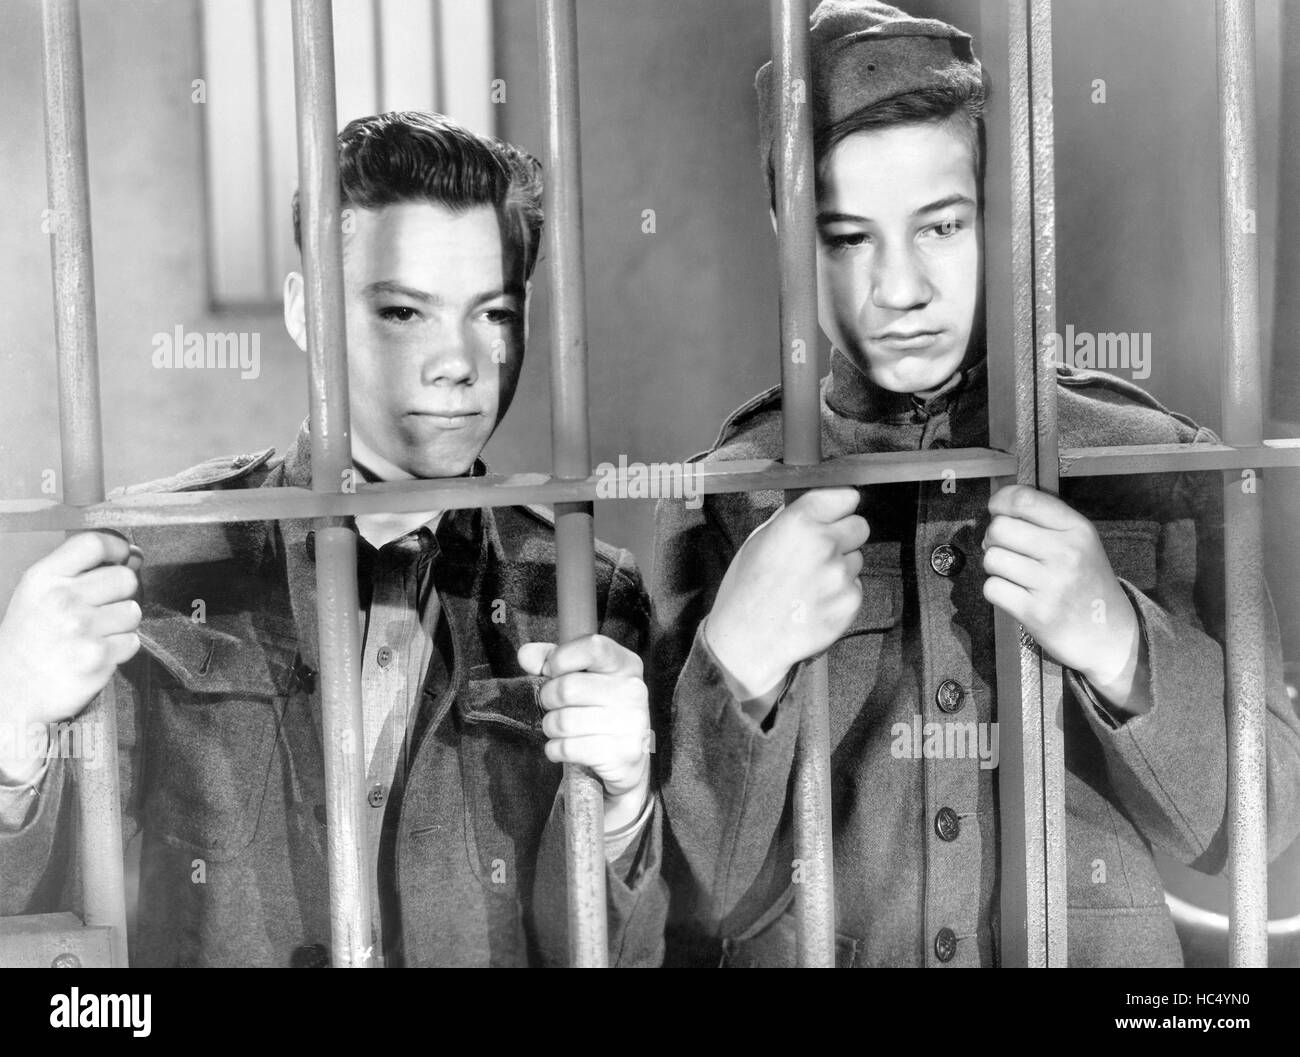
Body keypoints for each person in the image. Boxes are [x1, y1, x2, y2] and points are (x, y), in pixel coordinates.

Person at [652, 0, 1300, 967]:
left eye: (942, 225)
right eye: (846, 237)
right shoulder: (725, 493)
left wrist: (1118, 641)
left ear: (1005, 214)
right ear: (788, 232)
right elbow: (683, 904)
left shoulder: (1150, 459)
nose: (899, 287)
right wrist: (735, 668)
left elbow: (1266, 828)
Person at [0, 111, 664, 968]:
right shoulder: (152, 560)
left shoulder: (585, 594)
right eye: (401, 311)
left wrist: (624, 808)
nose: (459, 361)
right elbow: (44, 949)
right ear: (305, 313)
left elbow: (641, 952)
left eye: (493, 312)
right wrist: (11, 720)